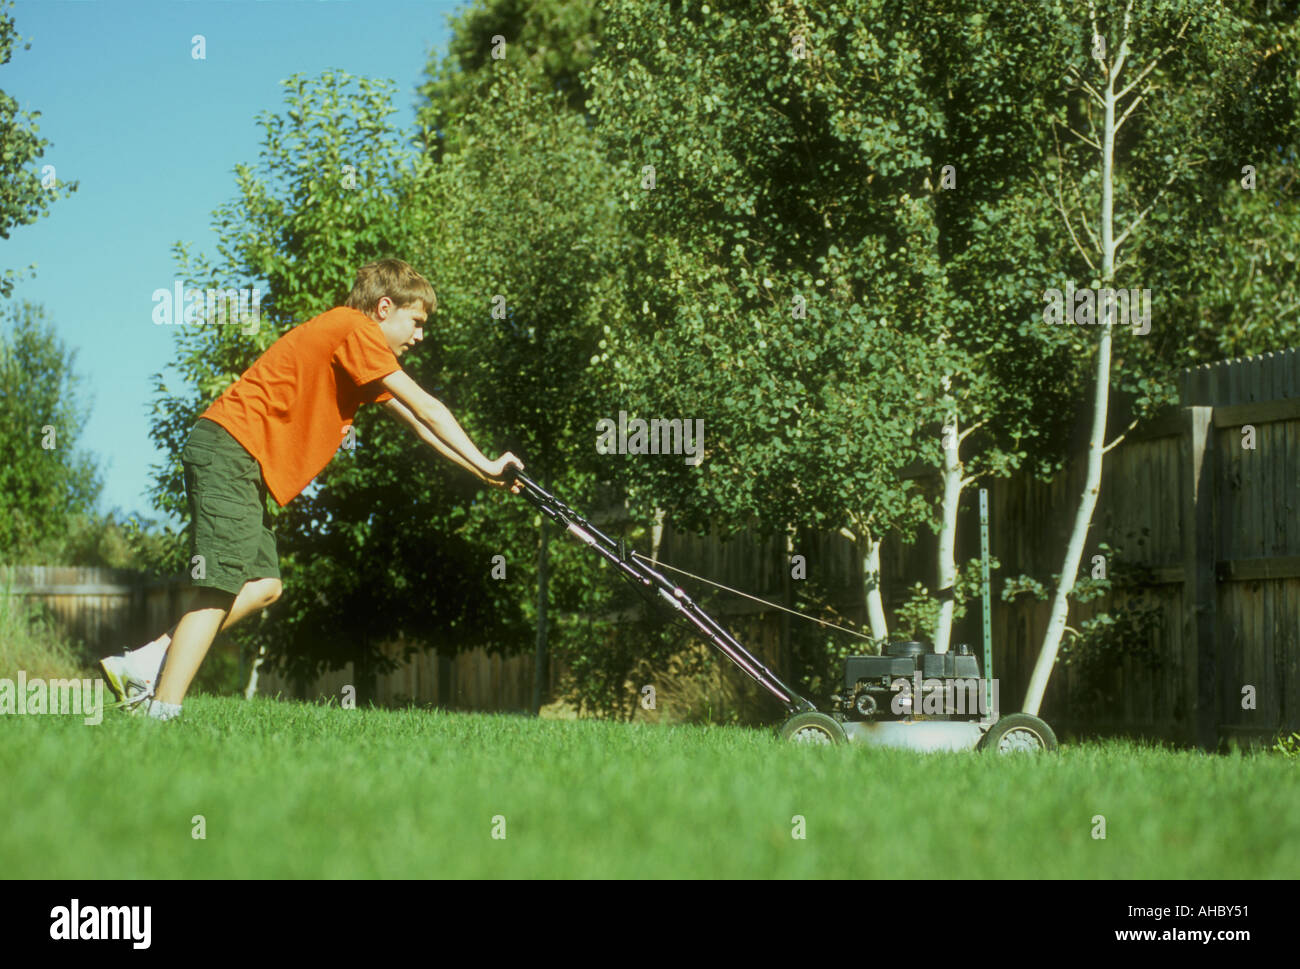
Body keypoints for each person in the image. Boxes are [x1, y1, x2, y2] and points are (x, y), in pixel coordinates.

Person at [100, 259, 523, 720]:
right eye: (416, 322)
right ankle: (163, 714)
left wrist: (483, 474)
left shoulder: (361, 351)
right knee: (220, 586)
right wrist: (486, 459)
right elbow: (429, 406)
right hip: (230, 448)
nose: (419, 336)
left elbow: (422, 427)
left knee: (264, 585)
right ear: (385, 308)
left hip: (241, 460)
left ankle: (143, 662)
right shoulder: (353, 328)